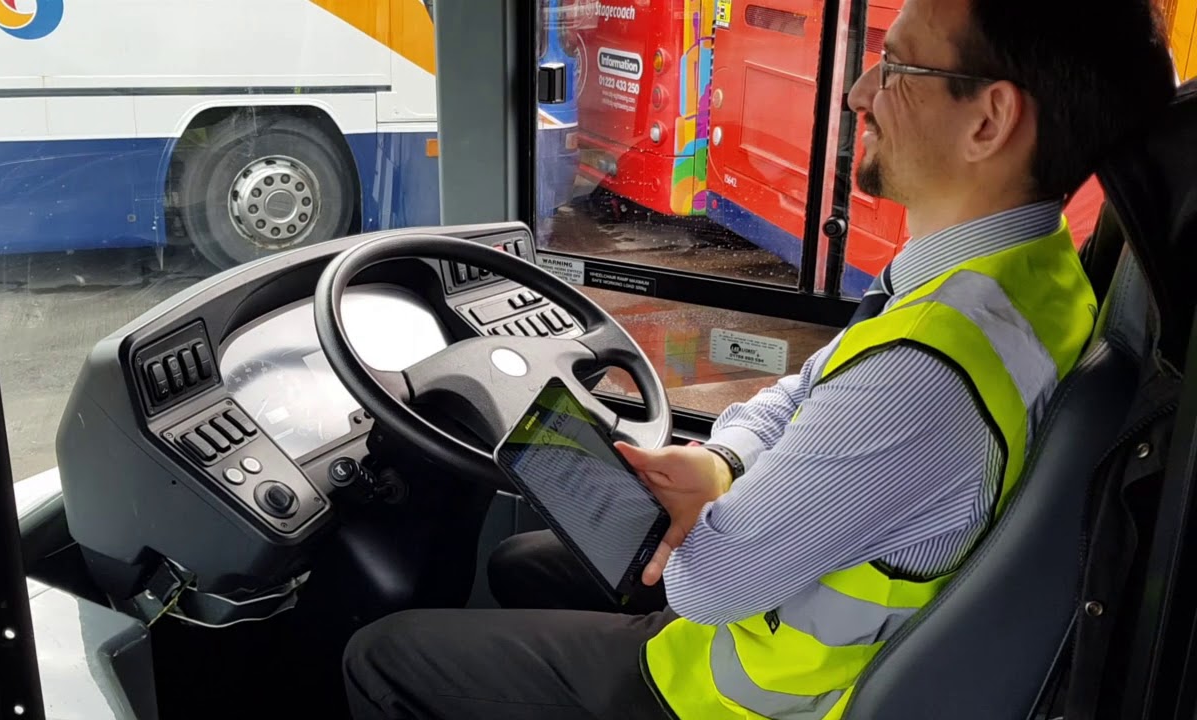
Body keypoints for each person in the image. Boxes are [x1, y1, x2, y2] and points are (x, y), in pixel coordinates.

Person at [342, 0, 1178, 717]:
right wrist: (723, 462)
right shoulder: (1018, 275)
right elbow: (807, 388)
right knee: (524, 561)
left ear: (988, 120)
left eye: (895, 68)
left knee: (383, 655)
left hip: (744, 695)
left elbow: (708, 585)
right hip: (767, 601)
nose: (858, 92)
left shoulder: (927, 374)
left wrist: (717, 507)